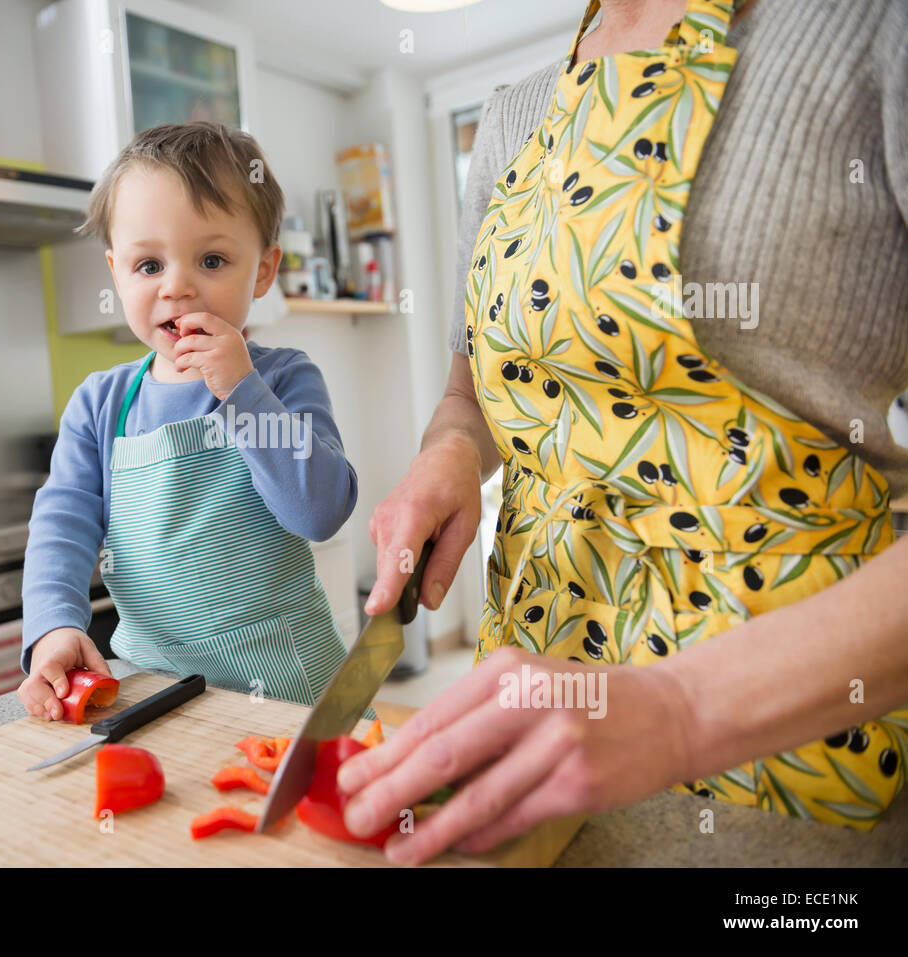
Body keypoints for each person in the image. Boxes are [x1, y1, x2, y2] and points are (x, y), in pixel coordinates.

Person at [342, 0, 908, 865]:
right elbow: (473, 391)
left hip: (789, 769)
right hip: (523, 743)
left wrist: (680, 710)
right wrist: (452, 450)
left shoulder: (871, 31)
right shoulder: (510, 116)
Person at [16, 122, 359, 718]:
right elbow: (61, 523)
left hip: (289, 692)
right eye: (148, 265)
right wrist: (52, 625)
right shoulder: (100, 404)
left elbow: (320, 511)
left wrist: (240, 391)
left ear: (262, 270)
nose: (177, 287)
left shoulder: (281, 379)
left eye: (211, 259)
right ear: (116, 272)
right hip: (157, 689)